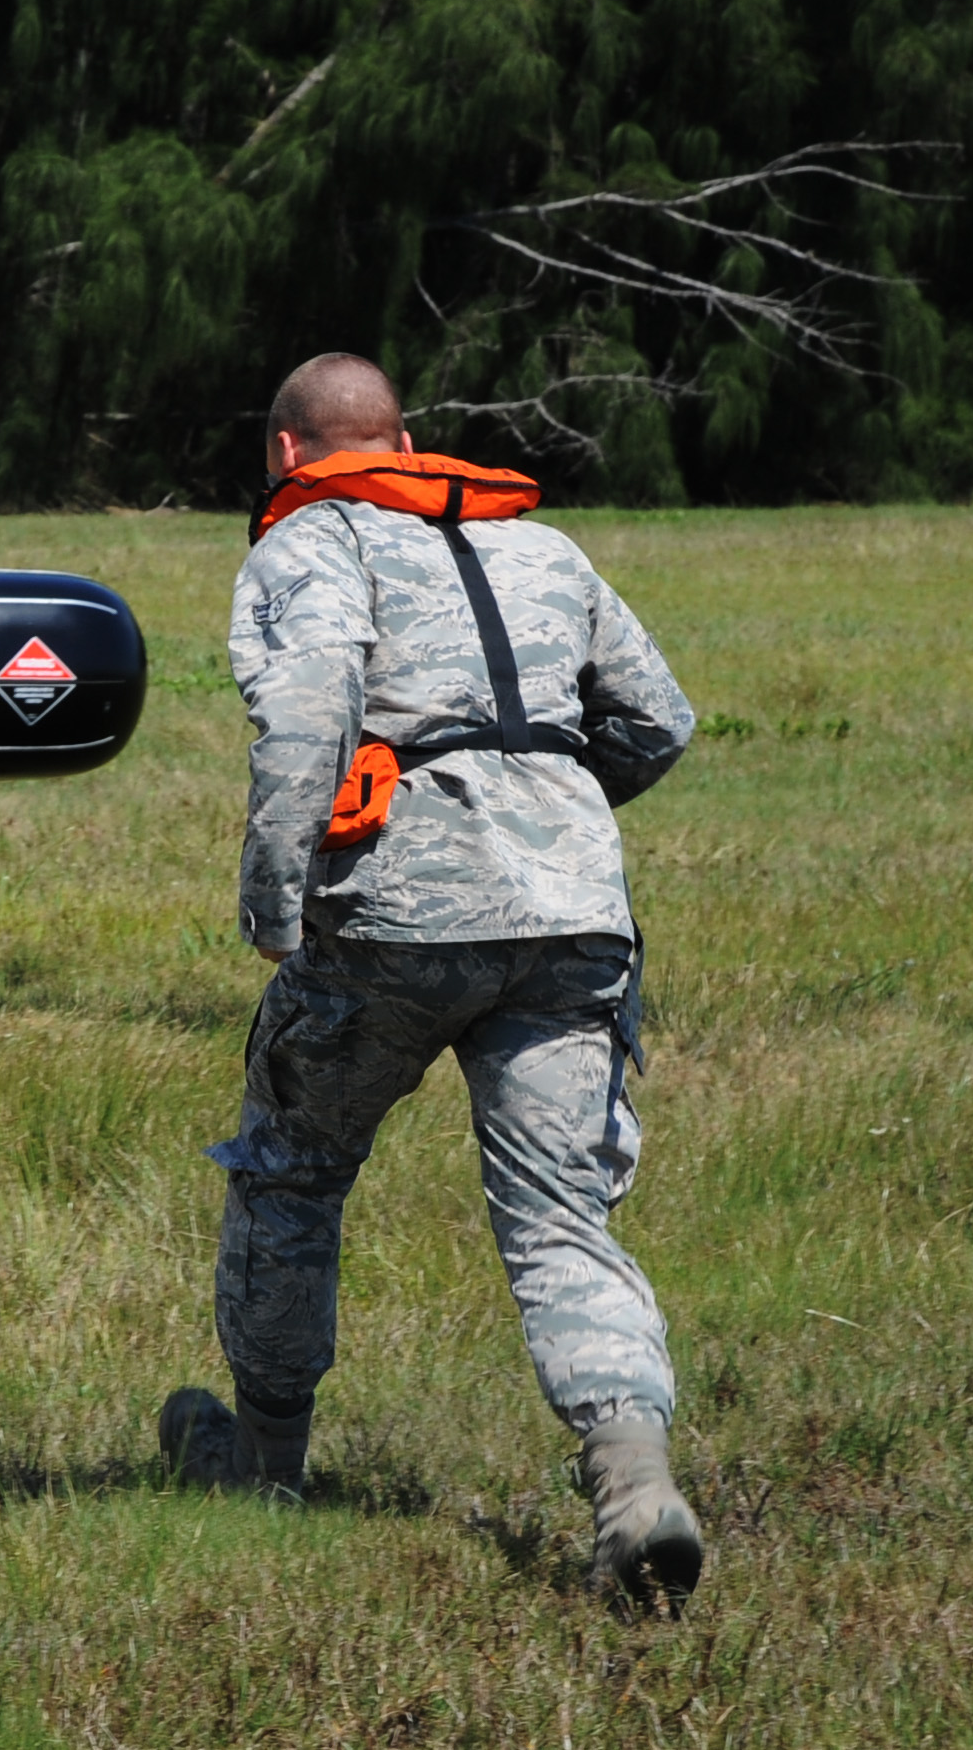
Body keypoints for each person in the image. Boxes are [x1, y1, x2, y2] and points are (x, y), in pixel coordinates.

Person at [162, 353, 705, 1603]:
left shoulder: (308, 544)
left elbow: (304, 720)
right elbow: (658, 721)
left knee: (290, 1173)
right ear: (404, 439)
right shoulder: (545, 549)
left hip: (392, 919)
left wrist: (273, 902)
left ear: (286, 456)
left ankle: (265, 1462)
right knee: (561, 1216)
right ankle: (633, 1483)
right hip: (576, 918)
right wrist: (545, 813)